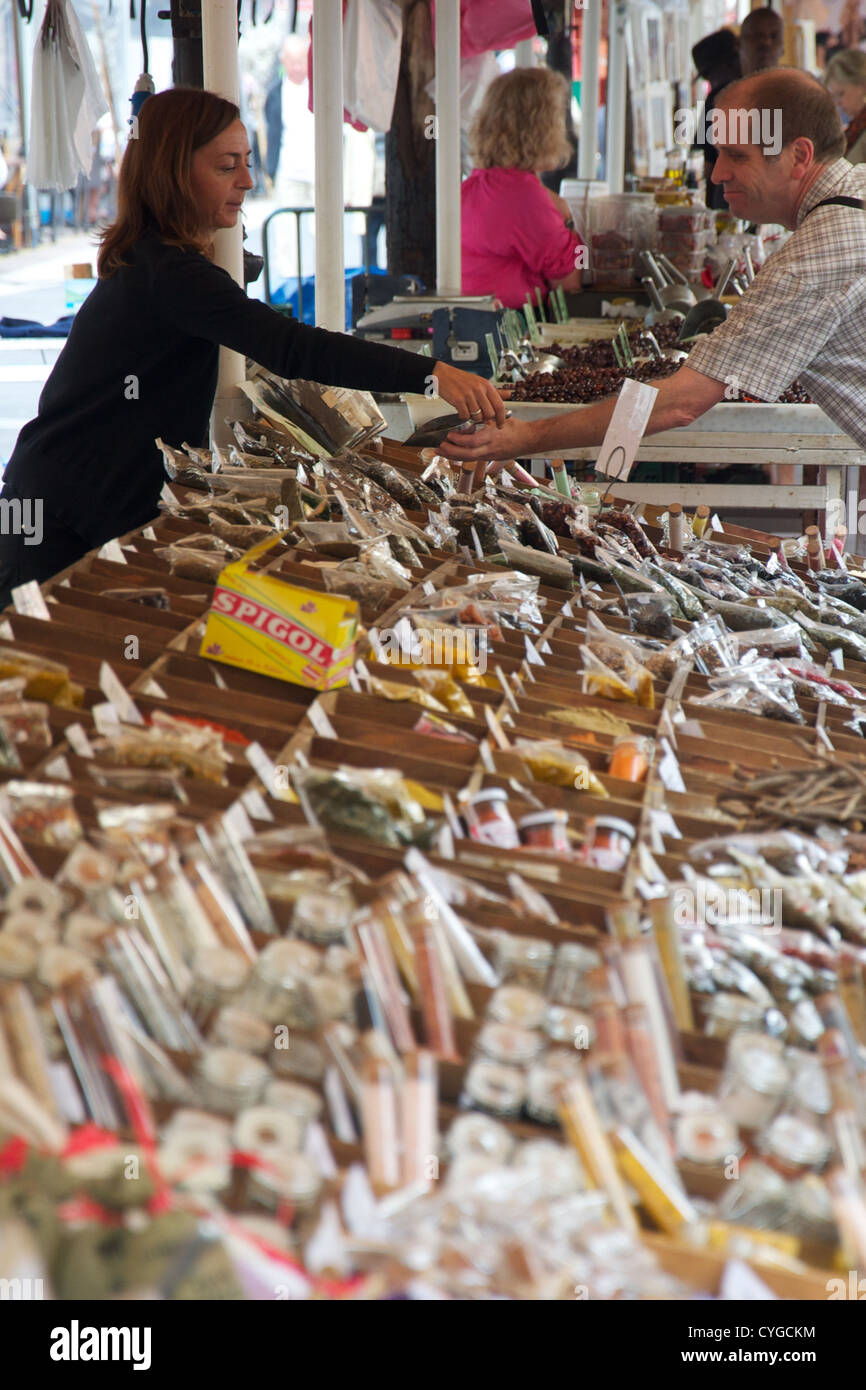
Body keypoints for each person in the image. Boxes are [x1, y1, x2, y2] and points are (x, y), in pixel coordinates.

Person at [0, 88, 504, 602]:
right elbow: (292, 347)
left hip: (87, 495)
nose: (246, 181)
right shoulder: (170, 273)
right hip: (59, 510)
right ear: (174, 171)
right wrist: (431, 373)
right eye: (226, 166)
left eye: (246, 163)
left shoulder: (161, 259)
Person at [440, 70, 866, 474]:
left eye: (737, 155)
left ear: (799, 156)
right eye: (717, 154)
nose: (718, 174)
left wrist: (527, 436)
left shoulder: (817, 254)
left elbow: (683, 402)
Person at [460, 67, 585, 309]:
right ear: (541, 126)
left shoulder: (473, 185)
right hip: (509, 330)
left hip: (473, 324)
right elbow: (569, 280)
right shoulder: (524, 196)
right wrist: (567, 219)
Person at [691, 29, 742, 210]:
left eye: (709, 75)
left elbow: (705, 165)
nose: (710, 82)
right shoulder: (762, 90)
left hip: (726, 205)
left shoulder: (720, 97)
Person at [824, 49, 866, 164]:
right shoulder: (854, 128)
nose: (837, 103)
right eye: (834, 96)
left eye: (841, 94)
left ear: (862, 86)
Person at [739, 7, 785, 75]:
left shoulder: (793, 85)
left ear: (783, 48)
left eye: (774, 36)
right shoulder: (729, 86)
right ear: (739, 44)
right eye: (757, 36)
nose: (766, 42)